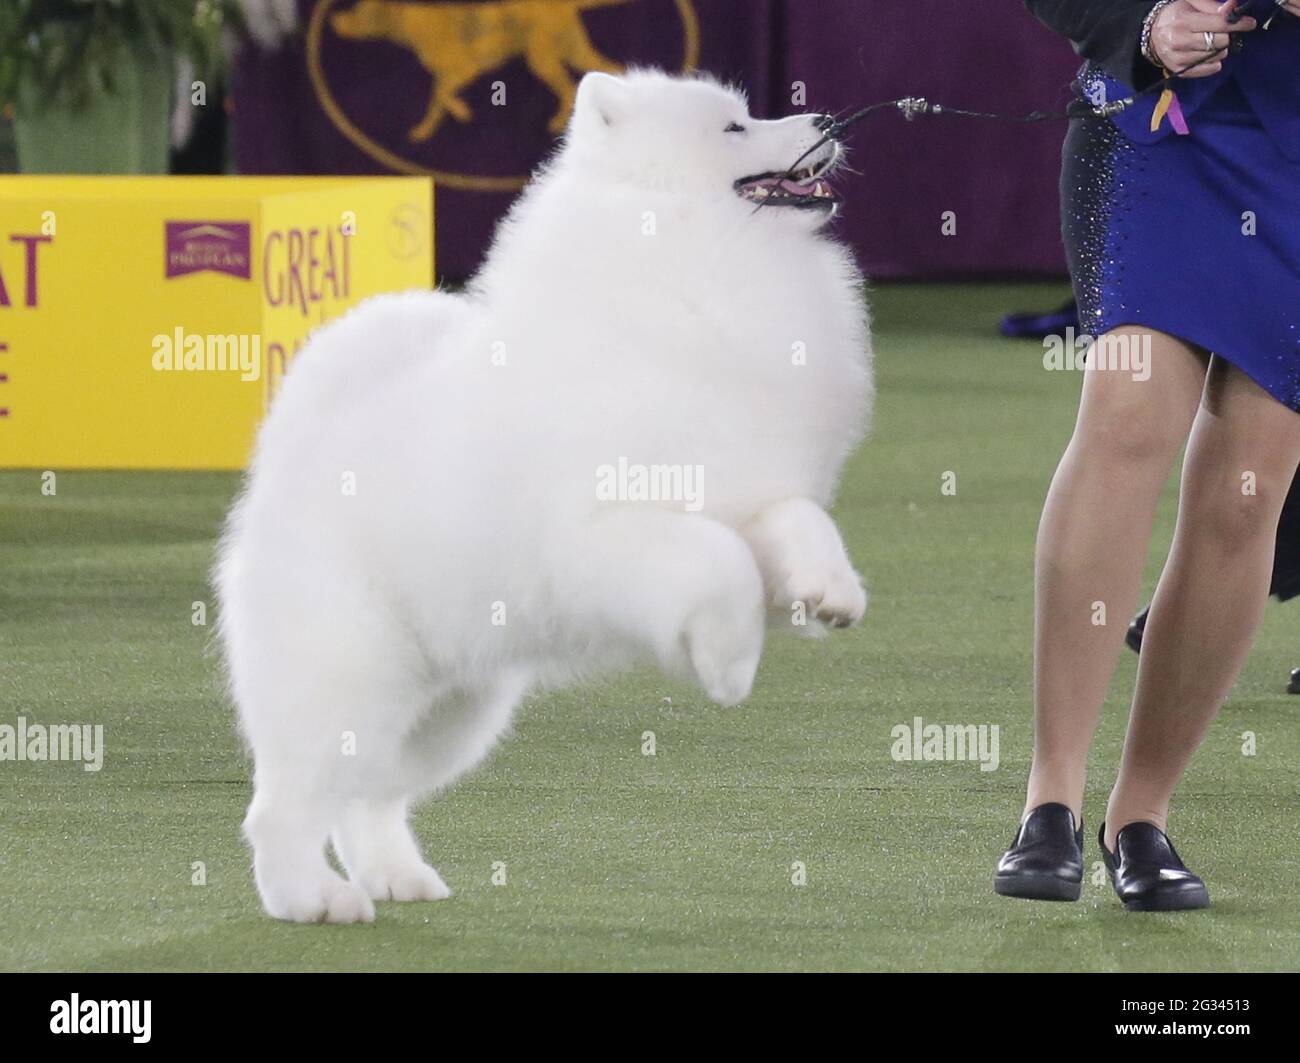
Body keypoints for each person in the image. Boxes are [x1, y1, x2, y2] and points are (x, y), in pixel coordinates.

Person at [996, 0, 1300, 911]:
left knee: (1251, 487)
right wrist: (1143, 21)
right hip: (1155, 128)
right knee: (1128, 414)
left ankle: (1141, 815)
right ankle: (1050, 797)